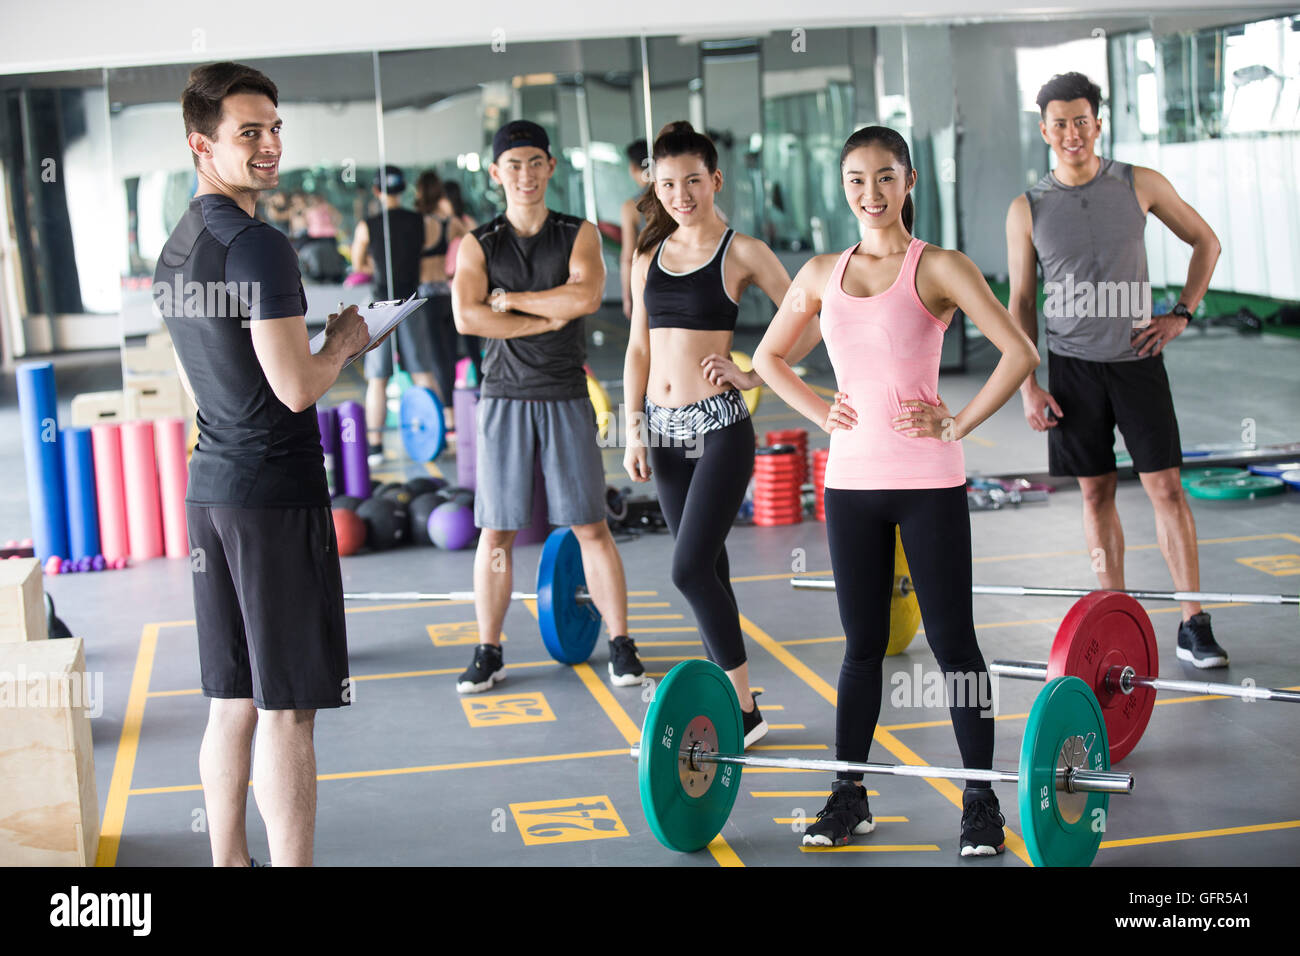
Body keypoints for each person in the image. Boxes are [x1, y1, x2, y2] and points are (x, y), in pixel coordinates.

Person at [752, 126, 1039, 852]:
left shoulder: (938, 267)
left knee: (953, 644)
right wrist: (824, 412)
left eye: (885, 177)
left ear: (909, 181)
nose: (870, 193)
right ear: (842, 186)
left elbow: (1018, 350)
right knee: (861, 647)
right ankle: (848, 796)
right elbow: (767, 357)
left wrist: (958, 422)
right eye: (855, 179)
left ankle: (981, 804)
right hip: (849, 482)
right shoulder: (821, 273)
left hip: (926, 481)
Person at [157, 61, 372, 866]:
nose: (270, 145)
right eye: (249, 132)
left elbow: (200, 385)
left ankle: (229, 861)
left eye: (275, 127)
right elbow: (293, 388)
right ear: (202, 145)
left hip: (211, 490)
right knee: (288, 710)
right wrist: (345, 343)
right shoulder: (258, 246)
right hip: (275, 496)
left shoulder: (177, 250)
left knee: (232, 700)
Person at [1006, 72, 1225, 667]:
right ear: (1045, 129)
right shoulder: (1027, 208)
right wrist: (1027, 384)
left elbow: (1205, 240)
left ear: (1098, 123)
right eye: (1060, 123)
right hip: (1072, 368)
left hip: (1138, 361)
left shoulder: (1139, 184)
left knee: (1166, 489)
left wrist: (1181, 313)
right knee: (1095, 493)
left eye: (1082, 120)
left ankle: (1194, 622)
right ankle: (1115, 618)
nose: (1071, 132)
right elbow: (1021, 303)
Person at [622, 121, 821, 748]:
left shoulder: (743, 251)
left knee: (687, 570)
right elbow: (636, 349)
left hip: (720, 428)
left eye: (692, 181)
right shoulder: (646, 256)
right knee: (710, 568)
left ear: (715, 179)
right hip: (662, 432)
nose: (680, 194)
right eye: (667, 184)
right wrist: (631, 428)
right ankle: (733, 693)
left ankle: (742, 706)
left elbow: (809, 320)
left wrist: (750, 369)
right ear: (655, 187)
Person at [451, 119, 644, 692]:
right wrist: (546, 316)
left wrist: (510, 303)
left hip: (564, 393)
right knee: (497, 533)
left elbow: (585, 295)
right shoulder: (478, 243)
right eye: (514, 164)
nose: (526, 174)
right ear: (495, 173)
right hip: (505, 398)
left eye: (536, 162)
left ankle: (621, 644)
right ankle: (489, 649)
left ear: (551, 167)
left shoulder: (578, 233)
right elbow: (467, 315)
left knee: (590, 525)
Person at [351, 165, 444, 466]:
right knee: (422, 373)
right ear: (403, 189)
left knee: (377, 378)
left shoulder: (367, 225)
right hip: (411, 301)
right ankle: (436, 436)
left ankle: (375, 446)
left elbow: (358, 264)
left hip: (380, 306)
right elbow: (426, 250)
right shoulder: (425, 223)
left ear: (377, 191)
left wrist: (376, 267)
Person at [415, 170, 468, 417]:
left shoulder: (419, 223)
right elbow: (473, 238)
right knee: (449, 355)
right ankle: (454, 412)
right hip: (448, 294)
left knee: (436, 357)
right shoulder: (450, 221)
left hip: (427, 296)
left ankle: (448, 415)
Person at [619, 139, 648, 319]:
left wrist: (627, 297)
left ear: (633, 168)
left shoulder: (632, 207)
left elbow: (628, 257)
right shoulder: (676, 198)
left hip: (648, 284)